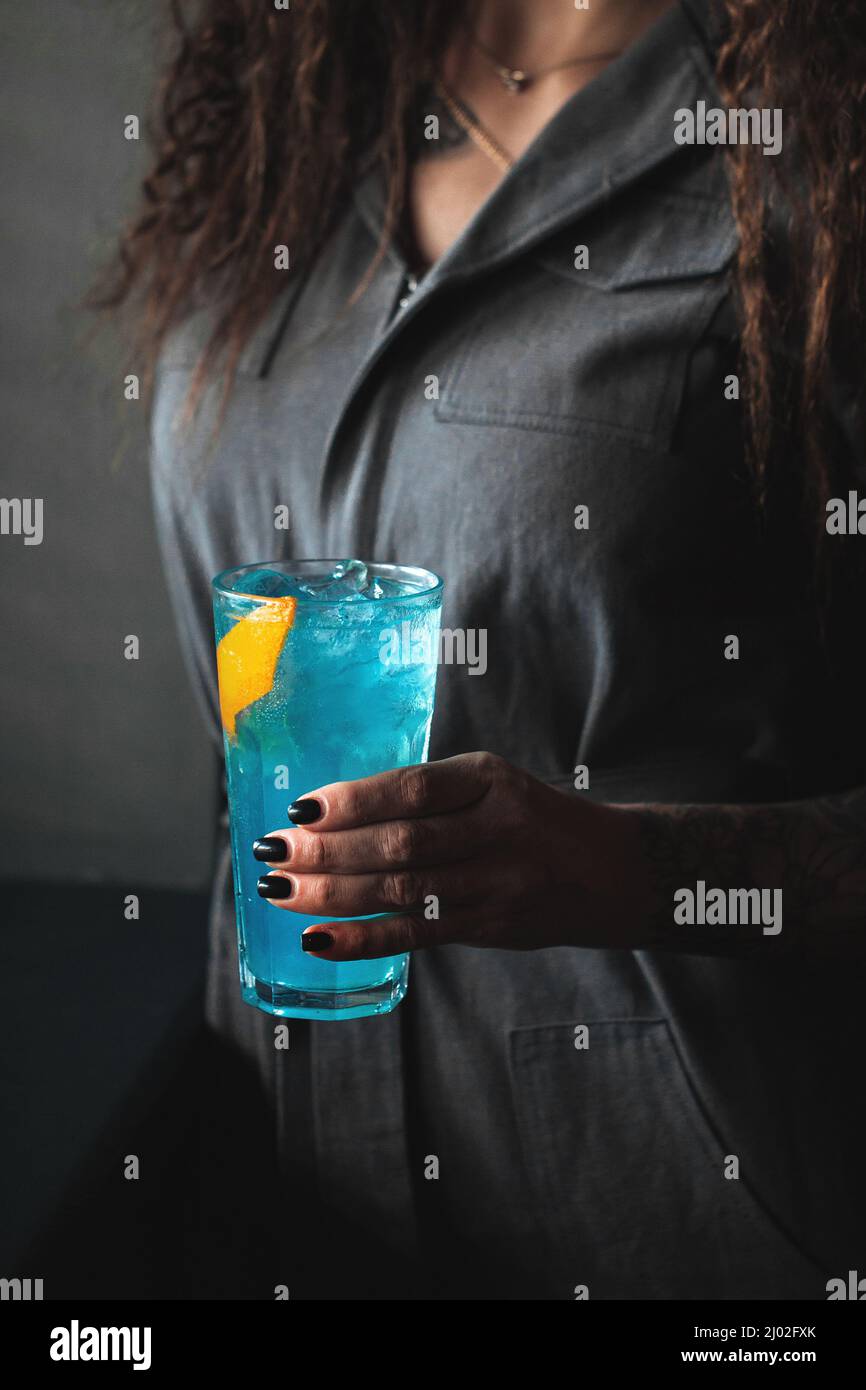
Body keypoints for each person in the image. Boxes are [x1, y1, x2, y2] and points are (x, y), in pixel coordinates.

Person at [101, 0, 866, 1299]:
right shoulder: (294, 93)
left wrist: (632, 868)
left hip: (679, 1236)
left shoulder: (817, 131)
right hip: (272, 1186)